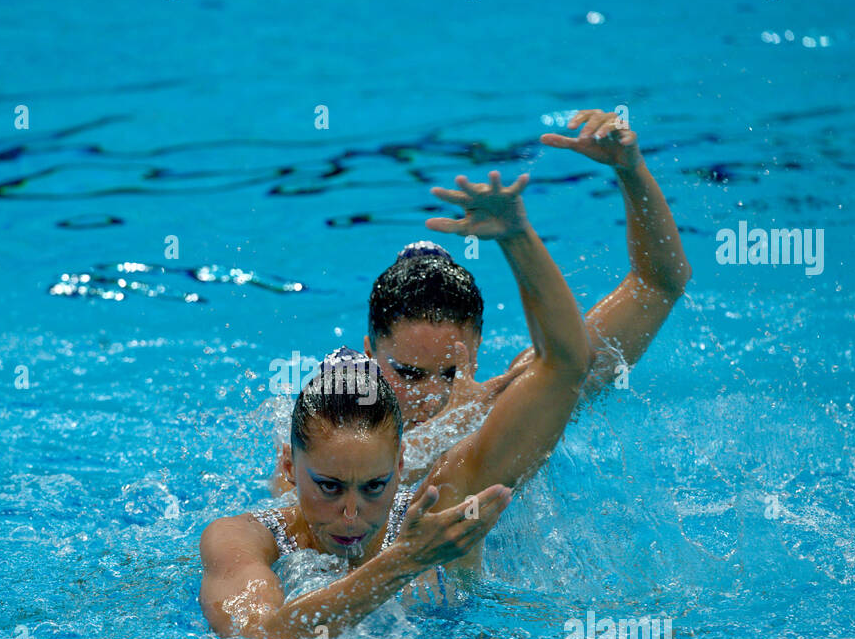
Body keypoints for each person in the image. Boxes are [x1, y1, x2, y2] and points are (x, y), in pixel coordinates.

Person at [201, 170, 590, 639]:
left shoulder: (444, 502)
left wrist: (518, 238)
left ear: (402, 462)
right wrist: (405, 560)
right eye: (328, 487)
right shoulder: (244, 537)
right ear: (289, 465)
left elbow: (567, 365)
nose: (351, 514)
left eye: (374, 487)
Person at [266, 108, 693, 492]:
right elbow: (294, 505)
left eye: (451, 373)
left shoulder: (510, 402)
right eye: (410, 375)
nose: (433, 397)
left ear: (478, 351)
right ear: (370, 354)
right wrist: (455, 424)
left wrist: (632, 170)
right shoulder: (329, 431)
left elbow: (659, 285)